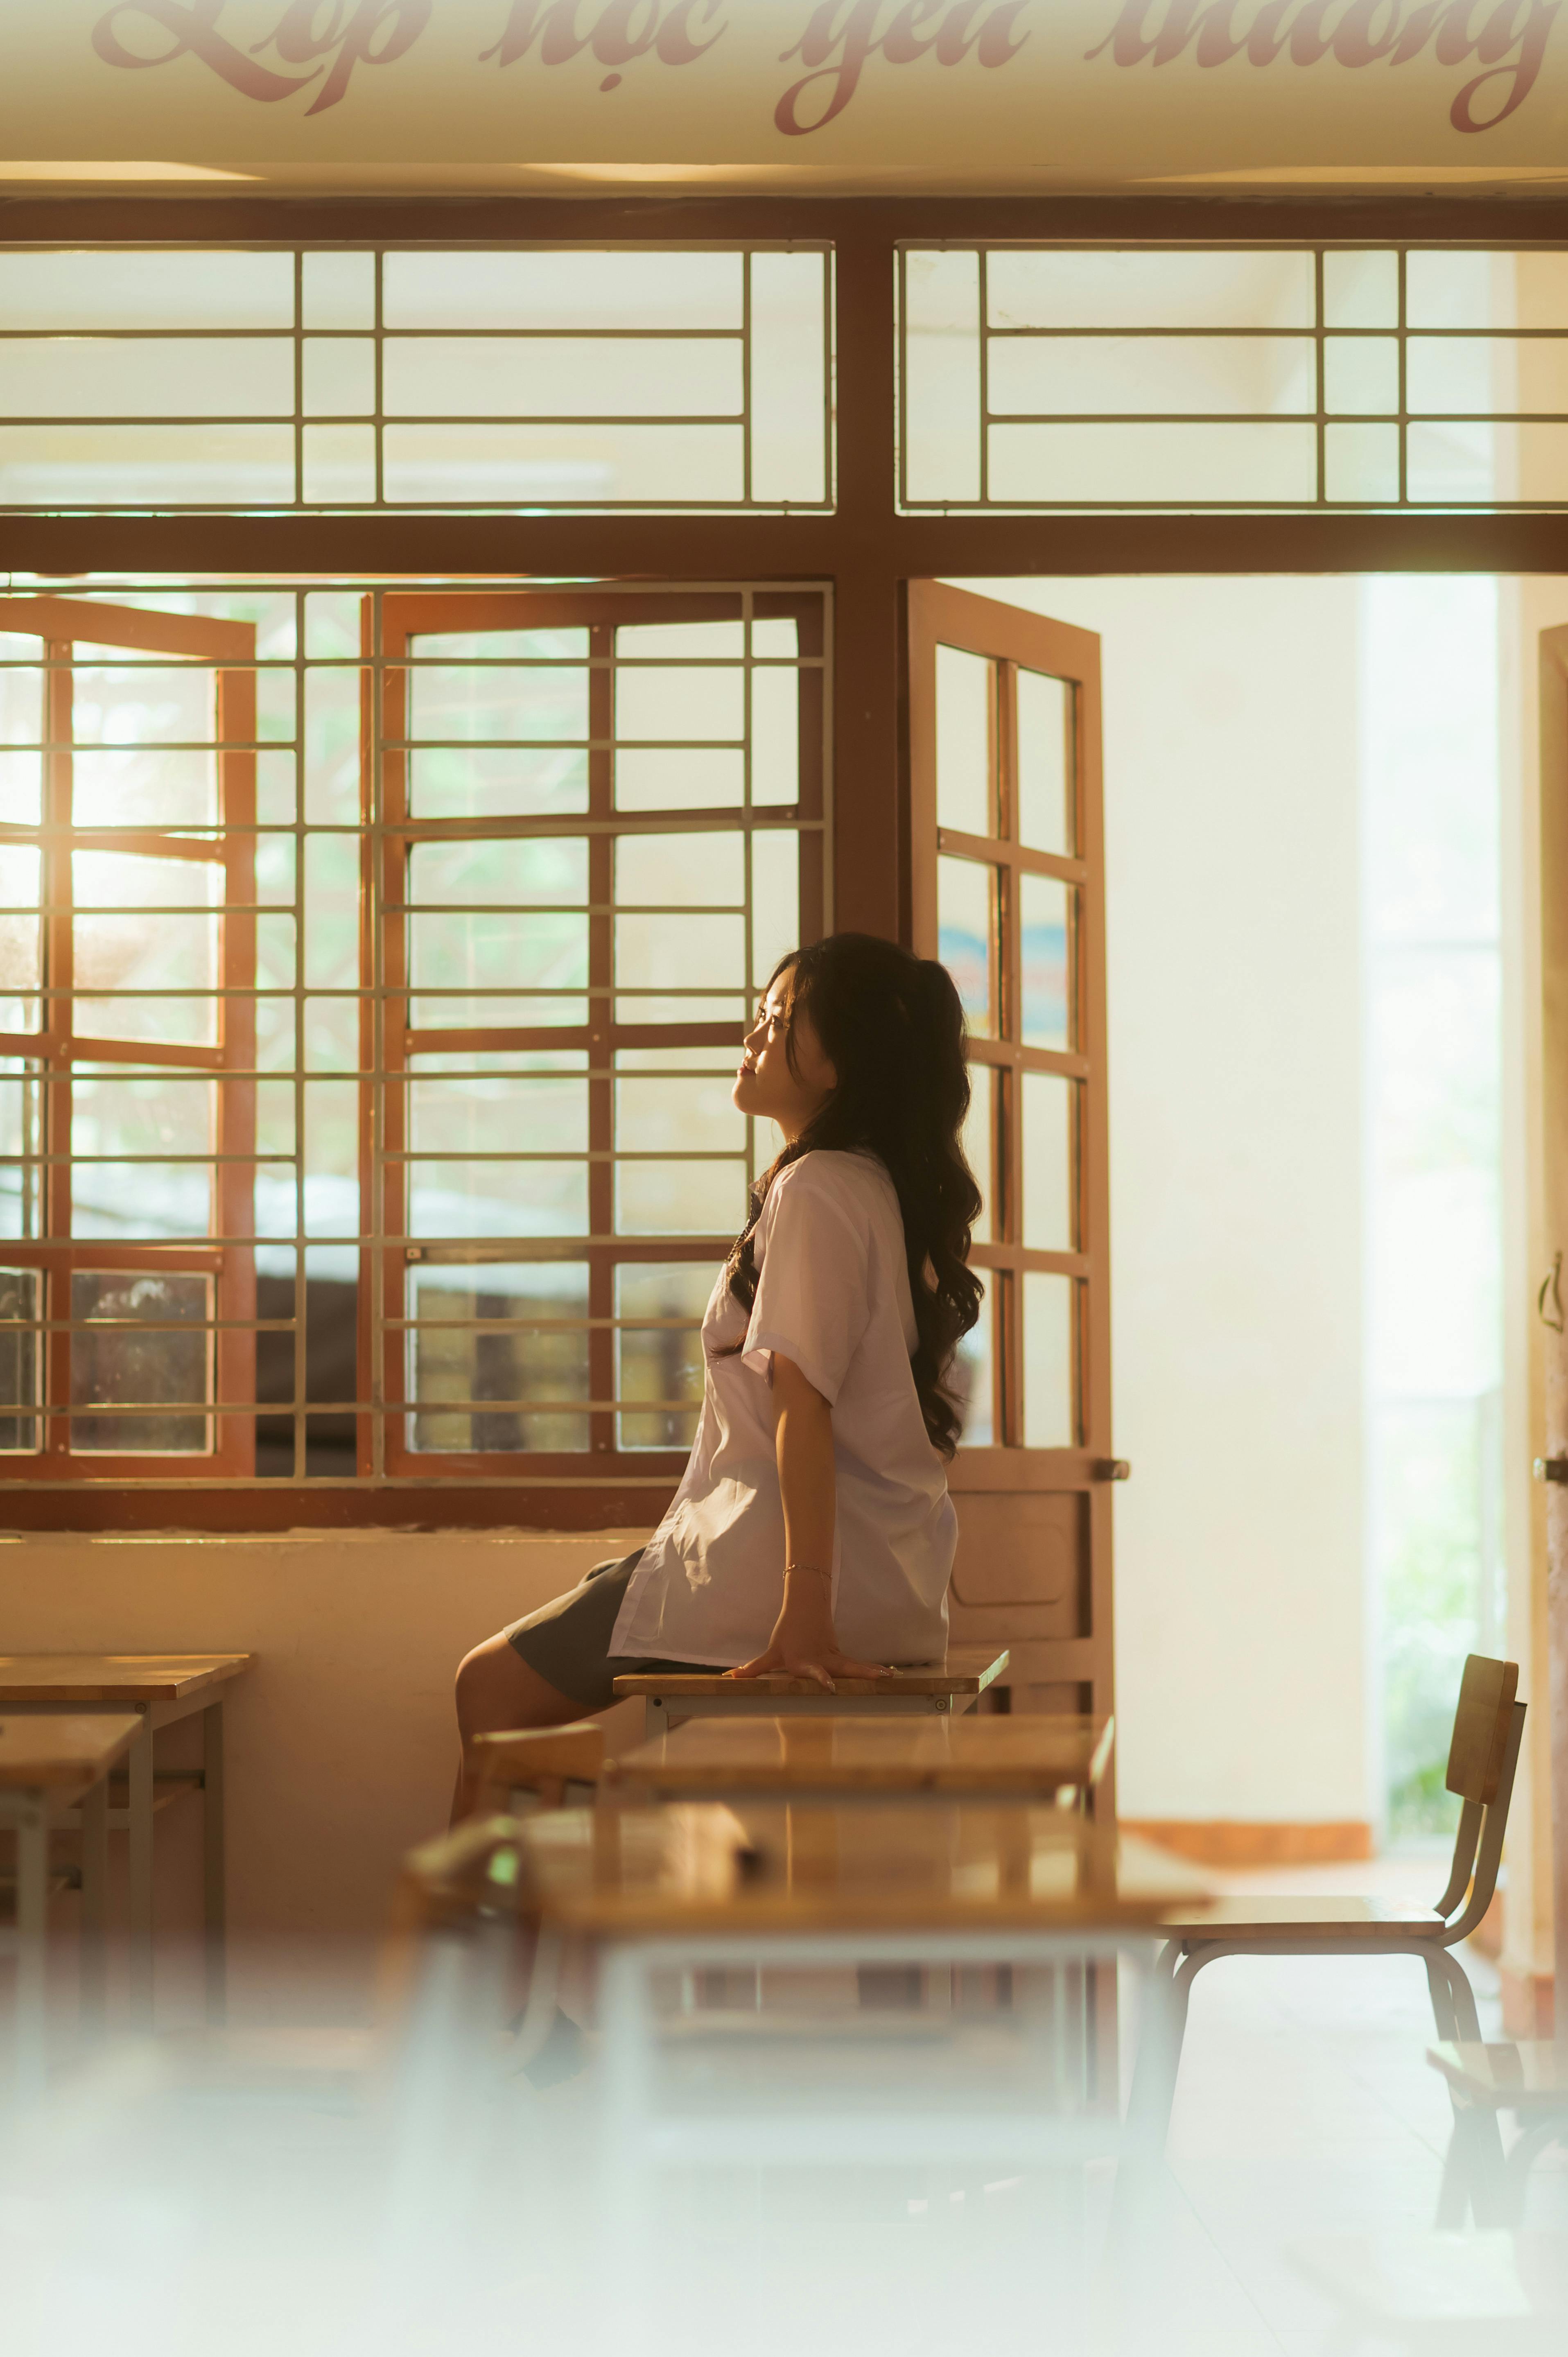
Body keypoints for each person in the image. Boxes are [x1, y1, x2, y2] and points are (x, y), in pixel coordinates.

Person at [450, 931, 982, 1821]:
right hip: (875, 1571)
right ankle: (542, 1935)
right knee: (590, 1605)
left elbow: (800, 1404)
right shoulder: (875, 1185)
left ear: (840, 1063)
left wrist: (803, 1613)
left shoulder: (815, 1186)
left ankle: (484, 1959)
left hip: (782, 1576)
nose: (753, 1036)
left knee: (488, 1691)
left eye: (777, 1020)